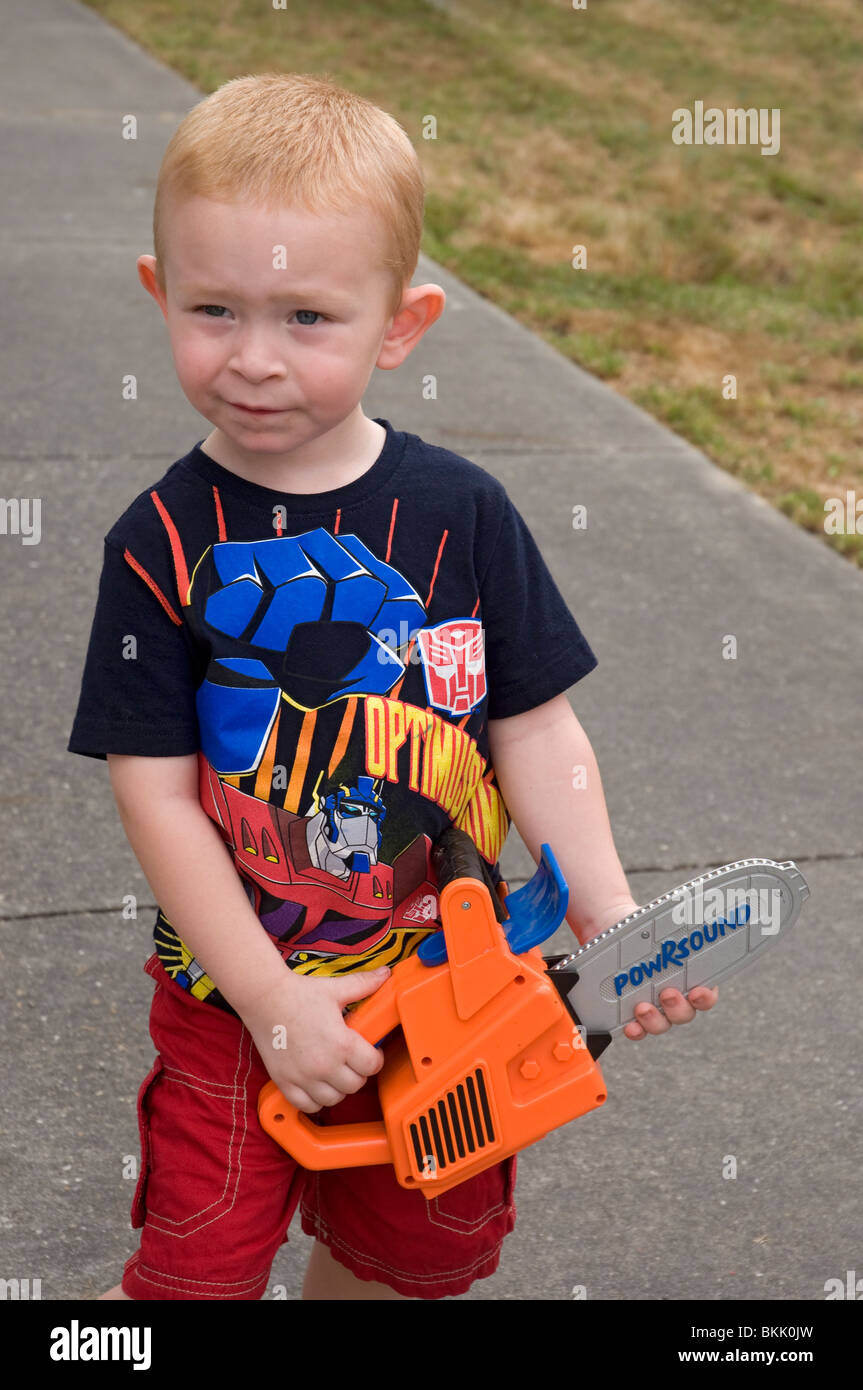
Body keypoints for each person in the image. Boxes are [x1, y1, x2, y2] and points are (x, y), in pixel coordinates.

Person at [67, 72, 717, 1302]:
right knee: (192, 1271)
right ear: (159, 296)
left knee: (407, 1257)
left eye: (307, 318)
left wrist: (608, 911)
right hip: (233, 999)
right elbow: (151, 793)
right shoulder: (157, 540)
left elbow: (534, 724)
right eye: (213, 309)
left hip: (452, 994)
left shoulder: (461, 513)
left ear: (400, 324)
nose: (252, 359)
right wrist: (269, 1004)